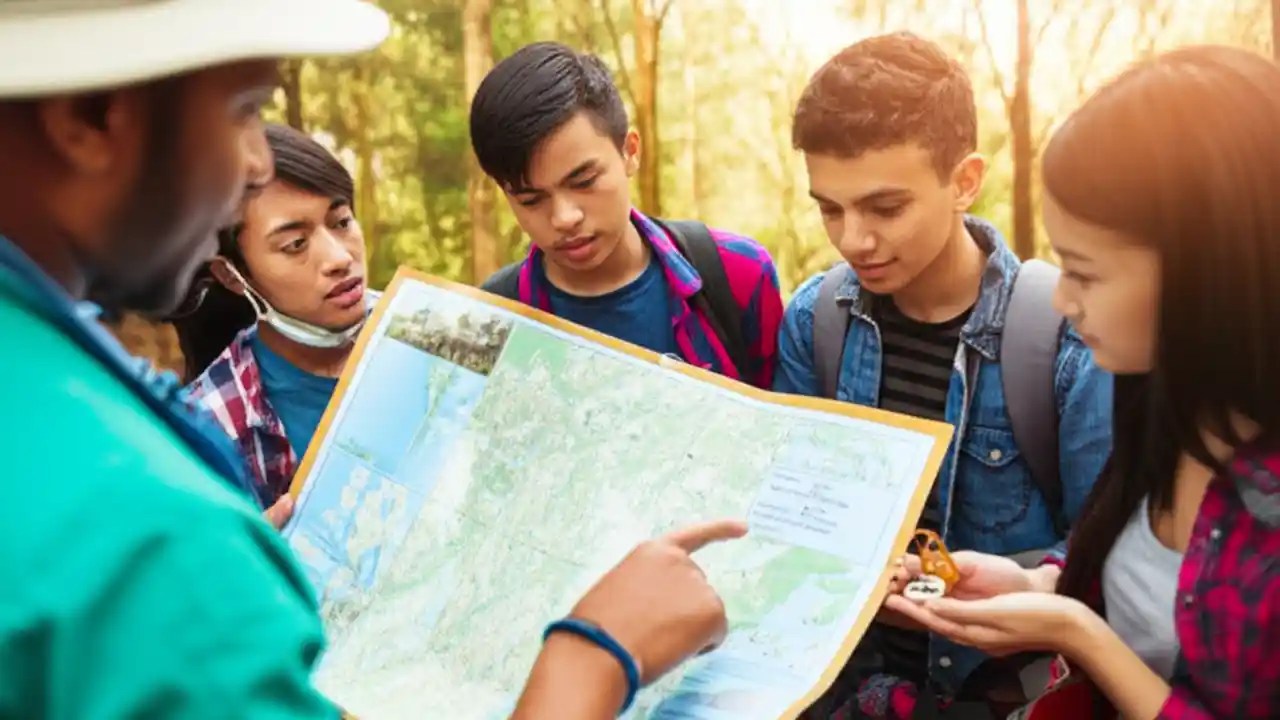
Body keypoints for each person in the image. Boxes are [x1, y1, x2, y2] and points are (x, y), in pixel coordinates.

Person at [0, 2, 742, 717]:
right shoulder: (147, 531)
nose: (255, 164)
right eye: (242, 111)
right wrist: (597, 654)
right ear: (89, 119)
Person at [885, 44, 1280, 720]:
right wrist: (1038, 586)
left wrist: (1076, 632)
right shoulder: (1157, 401)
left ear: (1207, 274)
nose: (1063, 301)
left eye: (1086, 274)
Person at [773, 33, 1113, 718]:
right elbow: (791, 522)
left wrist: (1024, 586)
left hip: (1000, 698)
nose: (853, 239)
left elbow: (1105, 556)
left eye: (885, 208)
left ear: (964, 181)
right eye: (830, 209)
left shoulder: (1067, 338)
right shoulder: (815, 320)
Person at [471, 41, 784, 389]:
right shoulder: (491, 319)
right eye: (531, 200)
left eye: (584, 182)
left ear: (630, 152)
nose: (564, 217)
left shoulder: (738, 274)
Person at [180, 123, 377, 505]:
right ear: (232, 275)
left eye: (341, 222)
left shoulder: (435, 330)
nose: (339, 258)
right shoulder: (210, 428)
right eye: (295, 244)